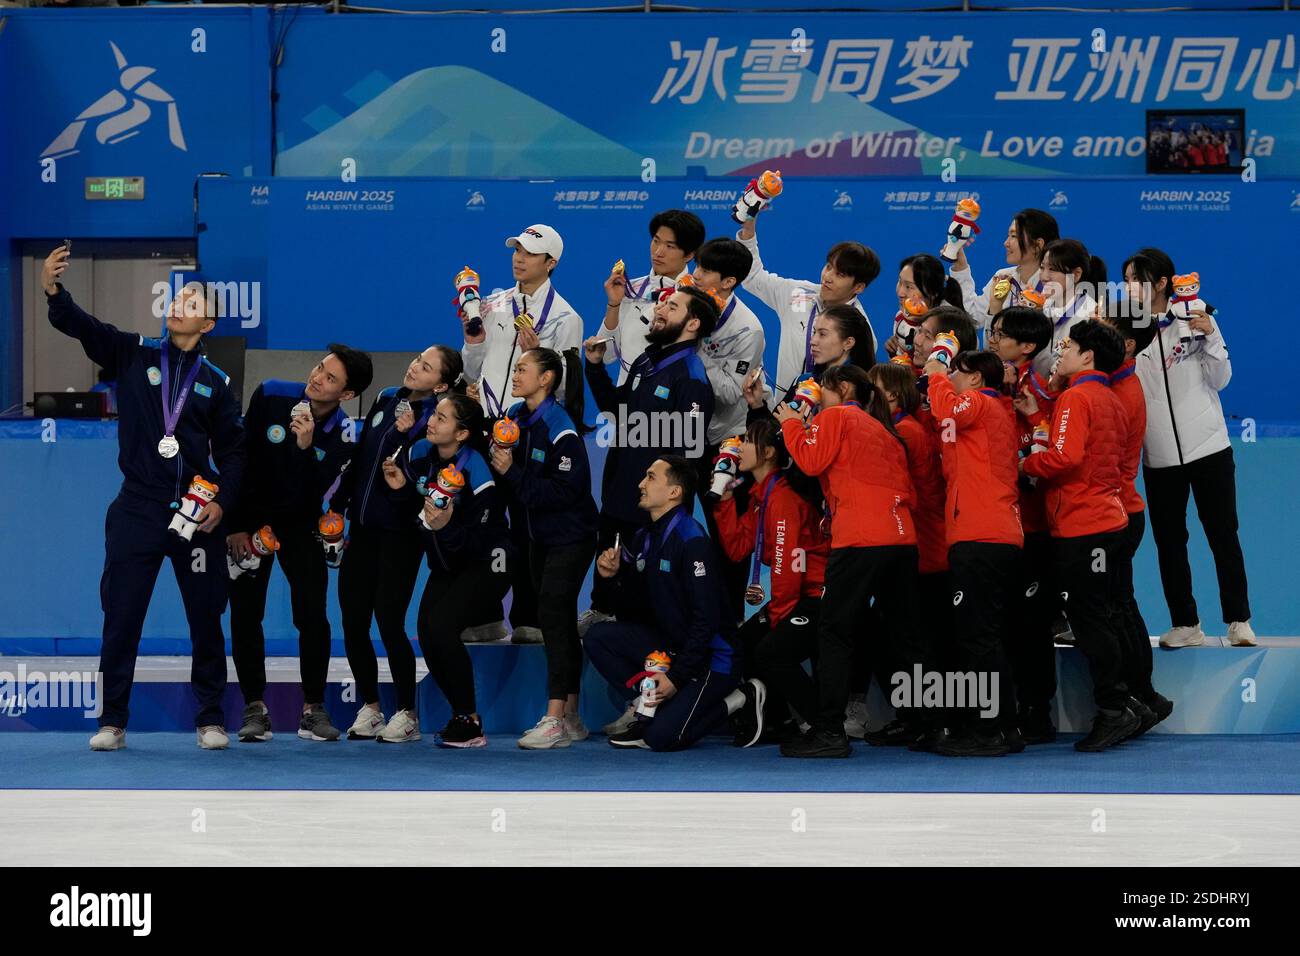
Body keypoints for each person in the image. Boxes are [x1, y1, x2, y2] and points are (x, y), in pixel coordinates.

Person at [43, 247, 244, 751]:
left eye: (193, 302)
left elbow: (236, 454)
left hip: (194, 513)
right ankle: (112, 720)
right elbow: (84, 327)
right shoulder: (133, 353)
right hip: (136, 507)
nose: (181, 304)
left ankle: (211, 719)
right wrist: (52, 290)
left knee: (206, 618)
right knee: (123, 613)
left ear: (209, 323)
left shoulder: (217, 384)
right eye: (179, 298)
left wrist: (221, 504)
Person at [776, 364, 926, 758]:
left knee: (835, 634)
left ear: (842, 389)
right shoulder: (884, 429)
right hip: (901, 538)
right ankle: (921, 722)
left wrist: (792, 424)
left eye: (823, 390)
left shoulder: (837, 415)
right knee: (905, 636)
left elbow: (809, 462)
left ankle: (829, 731)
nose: (820, 398)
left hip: (860, 539)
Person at [229, 345, 373, 744]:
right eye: (319, 368)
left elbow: (316, 491)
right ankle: (254, 706)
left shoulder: (346, 434)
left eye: (330, 379)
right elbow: (240, 457)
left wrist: (304, 447)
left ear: (345, 395)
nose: (317, 378)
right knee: (245, 612)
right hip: (252, 519)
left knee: (311, 615)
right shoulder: (272, 393)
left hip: (302, 524)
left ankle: (313, 708)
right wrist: (237, 525)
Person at [1022, 320, 1153, 751]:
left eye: (1071, 346)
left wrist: (1022, 466)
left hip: (1084, 527)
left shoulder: (1077, 397)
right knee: (1107, 614)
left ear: (1089, 357)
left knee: (1092, 619)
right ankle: (1129, 702)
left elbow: (1064, 457)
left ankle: (1115, 710)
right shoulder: (1110, 397)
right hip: (1106, 520)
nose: (1063, 351)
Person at [330, 345, 464, 740]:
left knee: (389, 622)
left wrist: (402, 438)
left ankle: (406, 713)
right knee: (353, 622)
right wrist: (338, 505)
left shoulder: (434, 421)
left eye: (426, 367)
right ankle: (371, 707)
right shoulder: (387, 397)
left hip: (401, 536)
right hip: (362, 528)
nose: (414, 367)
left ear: (440, 383)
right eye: (416, 360)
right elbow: (360, 457)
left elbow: (419, 481)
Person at [585, 457, 762, 751]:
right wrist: (610, 578)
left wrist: (676, 679)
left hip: (713, 659)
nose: (641, 484)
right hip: (672, 648)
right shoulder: (645, 537)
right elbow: (632, 609)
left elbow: (706, 620)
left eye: (651, 477)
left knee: (660, 738)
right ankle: (647, 704)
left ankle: (740, 698)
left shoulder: (692, 541)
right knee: (598, 638)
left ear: (674, 492)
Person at [1123, 249, 1253, 648]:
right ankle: (1185, 623)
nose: (1129, 287)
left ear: (1160, 282)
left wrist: (1211, 334)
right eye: (1125, 279)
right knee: (1169, 542)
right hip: (1160, 456)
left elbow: (1222, 378)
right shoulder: (1130, 329)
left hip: (1210, 447)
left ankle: (1239, 620)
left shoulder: (1195, 319)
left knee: (1222, 535)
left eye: (1135, 279)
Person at [462, 225, 582, 645]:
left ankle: (529, 618)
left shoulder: (567, 318)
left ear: (551, 263)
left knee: (528, 527)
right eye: (517, 250)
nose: (519, 258)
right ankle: (485, 614)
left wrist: (536, 350)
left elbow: (565, 388)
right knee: (482, 524)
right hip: (485, 427)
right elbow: (474, 367)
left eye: (530, 253)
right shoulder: (492, 303)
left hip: (528, 431)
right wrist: (472, 339)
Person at [579, 286, 717, 637]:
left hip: (651, 506)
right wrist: (594, 369)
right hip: (618, 492)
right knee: (607, 561)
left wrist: (667, 504)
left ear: (693, 323)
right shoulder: (645, 361)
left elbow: (690, 454)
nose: (660, 309)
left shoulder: (691, 376)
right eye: (662, 303)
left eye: (672, 306)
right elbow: (616, 411)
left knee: (641, 591)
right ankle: (601, 610)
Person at [380, 394, 511, 746]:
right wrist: (400, 490)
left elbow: (477, 541)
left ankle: (470, 721)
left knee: (441, 626)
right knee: (426, 630)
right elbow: (417, 507)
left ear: (463, 433)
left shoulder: (477, 471)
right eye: (434, 415)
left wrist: (447, 527)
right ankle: (461, 716)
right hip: (447, 562)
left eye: (442, 417)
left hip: (486, 563)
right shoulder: (421, 452)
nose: (432, 422)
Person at [489, 348, 599, 750]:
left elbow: (567, 492)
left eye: (522, 369)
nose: (515, 374)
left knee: (553, 615)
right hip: (539, 536)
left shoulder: (560, 428)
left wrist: (512, 472)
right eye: (514, 367)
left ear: (547, 378)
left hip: (572, 535)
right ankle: (571, 716)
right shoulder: (517, 419)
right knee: (559, 622)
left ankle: (554, 719)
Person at [924, 350, 1024, 755]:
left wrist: (933, 376)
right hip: (992, 533)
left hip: (980, 535)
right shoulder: (995, 411)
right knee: (988, 637)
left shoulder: (979, 404)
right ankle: (1005, 727)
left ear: (976, 381)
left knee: (978, 639)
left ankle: (990, 731)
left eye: (956, 373)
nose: (949, 377)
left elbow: (947, 409)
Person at [712, 418, 829, 745]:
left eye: (747, 441)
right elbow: (737, 549)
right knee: (741, 642)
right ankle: (777, 720)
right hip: (794, 595)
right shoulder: (761, 495)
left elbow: (786, 564)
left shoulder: (782, 498)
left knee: (772, 651)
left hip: (817, 596)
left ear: (768, 453)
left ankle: (823, 725)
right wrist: (723, 504)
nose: (739, 447)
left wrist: (780, 619)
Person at [860, 362, 948, 745]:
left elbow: (901, 493)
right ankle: (915, 716)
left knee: (915, 640)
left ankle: (930, 719)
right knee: (896, 635)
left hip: (923, 550)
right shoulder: (900, 428)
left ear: (892, 395)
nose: (866, 396)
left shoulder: (906, 431)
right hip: (913, 547)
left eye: (873, 388)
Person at [989, 307, 1061, 743]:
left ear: (1027, 347)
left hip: (1033, 527)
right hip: (1003, 523)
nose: (993, 339)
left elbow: (1051, 451)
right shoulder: (1001, 383)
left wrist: (1033, 418)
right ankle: (1011, 707)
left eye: (1000, 334)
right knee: (1007, 622)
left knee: (1031, 624)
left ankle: (1038, 711)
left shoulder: (1042, 390)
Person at [1100, 307, 1175, 730]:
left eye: (1104, 330)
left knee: (1115, 610)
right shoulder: (1121, 382)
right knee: (1120, 607)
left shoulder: (1117, 392)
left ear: (1126, 344)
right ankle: (1144, 696)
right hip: (1124, 509)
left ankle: (1138, 697)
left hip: (1116, 513)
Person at [690, 237, 766, 617]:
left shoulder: (747, 330)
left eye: (703, 270)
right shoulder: (686, 300)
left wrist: (694, 343)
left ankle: (731, 622)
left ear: (728, 281)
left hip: (725, 442)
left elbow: (728, 393)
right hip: (681, 437)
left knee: (727, 542)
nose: (694, 275)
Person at [735, 202, 879, 403]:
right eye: (828, 267)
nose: (827, 277)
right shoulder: (798, 293)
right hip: (784, 416)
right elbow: (753, 278)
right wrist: (748, 230)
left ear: (859, 287)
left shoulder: (862, 332)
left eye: (839, 274)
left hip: (827, 421)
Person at [600, 209, 705, 381]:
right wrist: (614, 304)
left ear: (689, 255)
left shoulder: (698, 297)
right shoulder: (631, 289)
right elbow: (606, 356)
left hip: (672, 400)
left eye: (670, 246)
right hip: (626, 401)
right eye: (656, 241)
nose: (658, 252)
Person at [949, 208, 1059, 327]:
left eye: (1013, 236)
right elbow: (973, 318)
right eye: (1008, 235)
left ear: (1038, 245)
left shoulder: (1055, 285)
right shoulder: (1002, 277)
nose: (1006, 243)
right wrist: (961, 267)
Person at [1037, 239, 1106, 377]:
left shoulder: (1091, 317)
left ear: (1076, 274)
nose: (1044, 277)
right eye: (1042, 267)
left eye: (1052, 269)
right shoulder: (1039, 307)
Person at [885, 253, 966, 356]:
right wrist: (895, 353)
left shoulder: (950, 328)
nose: (900, 293)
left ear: (932, 293)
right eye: (900, 282)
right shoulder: (901, 318)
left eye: (909, 287)